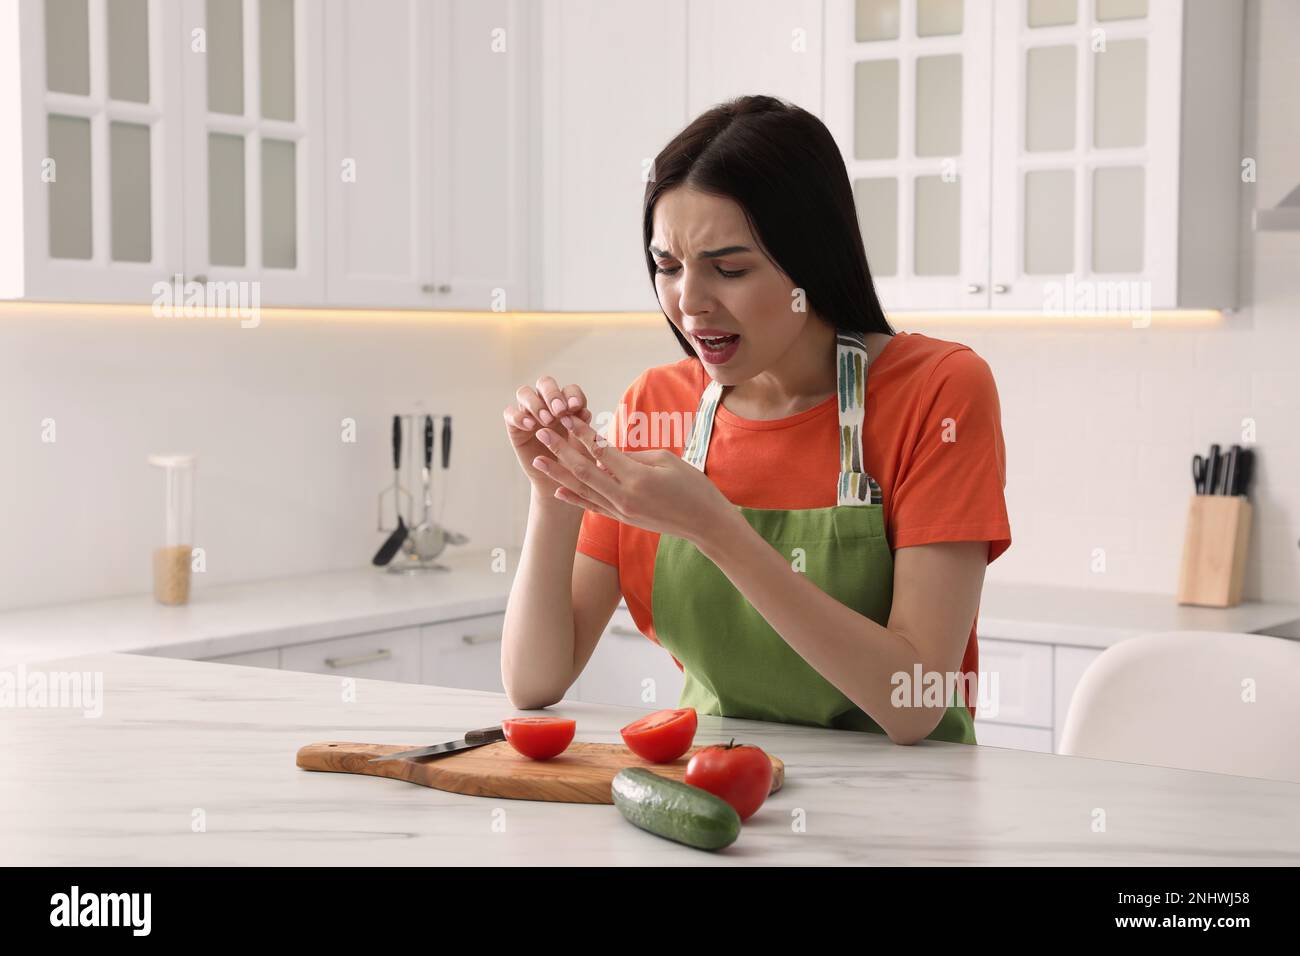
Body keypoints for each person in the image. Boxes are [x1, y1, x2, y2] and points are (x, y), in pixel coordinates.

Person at [500, 95, 1011, 744]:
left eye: (730, 268)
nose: (689, 303)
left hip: (905, 810)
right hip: (719, 796)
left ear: (812, 261)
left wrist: (718, 530)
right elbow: (534, 681)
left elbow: (916, 703)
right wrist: (553, 496)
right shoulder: (656, 406)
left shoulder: (938, 391)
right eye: (667, 266)